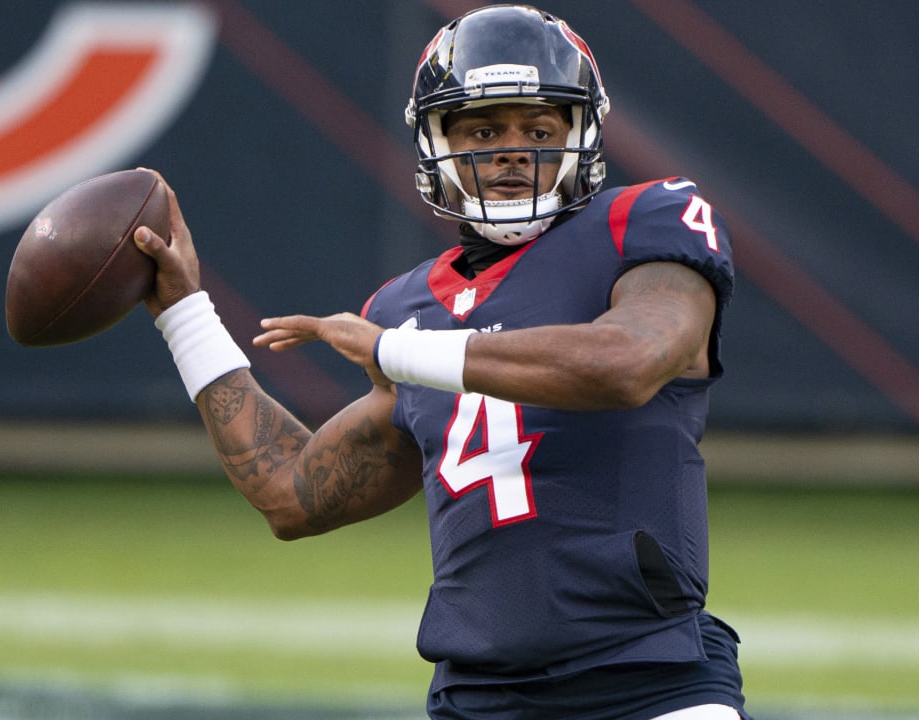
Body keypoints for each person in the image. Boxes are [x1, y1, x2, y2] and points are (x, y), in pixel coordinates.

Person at [134, 5, 750, 719]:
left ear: (582, 135)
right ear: (436, 145)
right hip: (479, 696)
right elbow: (292, 494)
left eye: (540, 130)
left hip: (651, 681)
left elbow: (628, 363)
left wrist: (398, 352)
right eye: (484, 129)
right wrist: (184, 314)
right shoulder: (406, 305)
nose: (513, 151)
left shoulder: (642, 224)